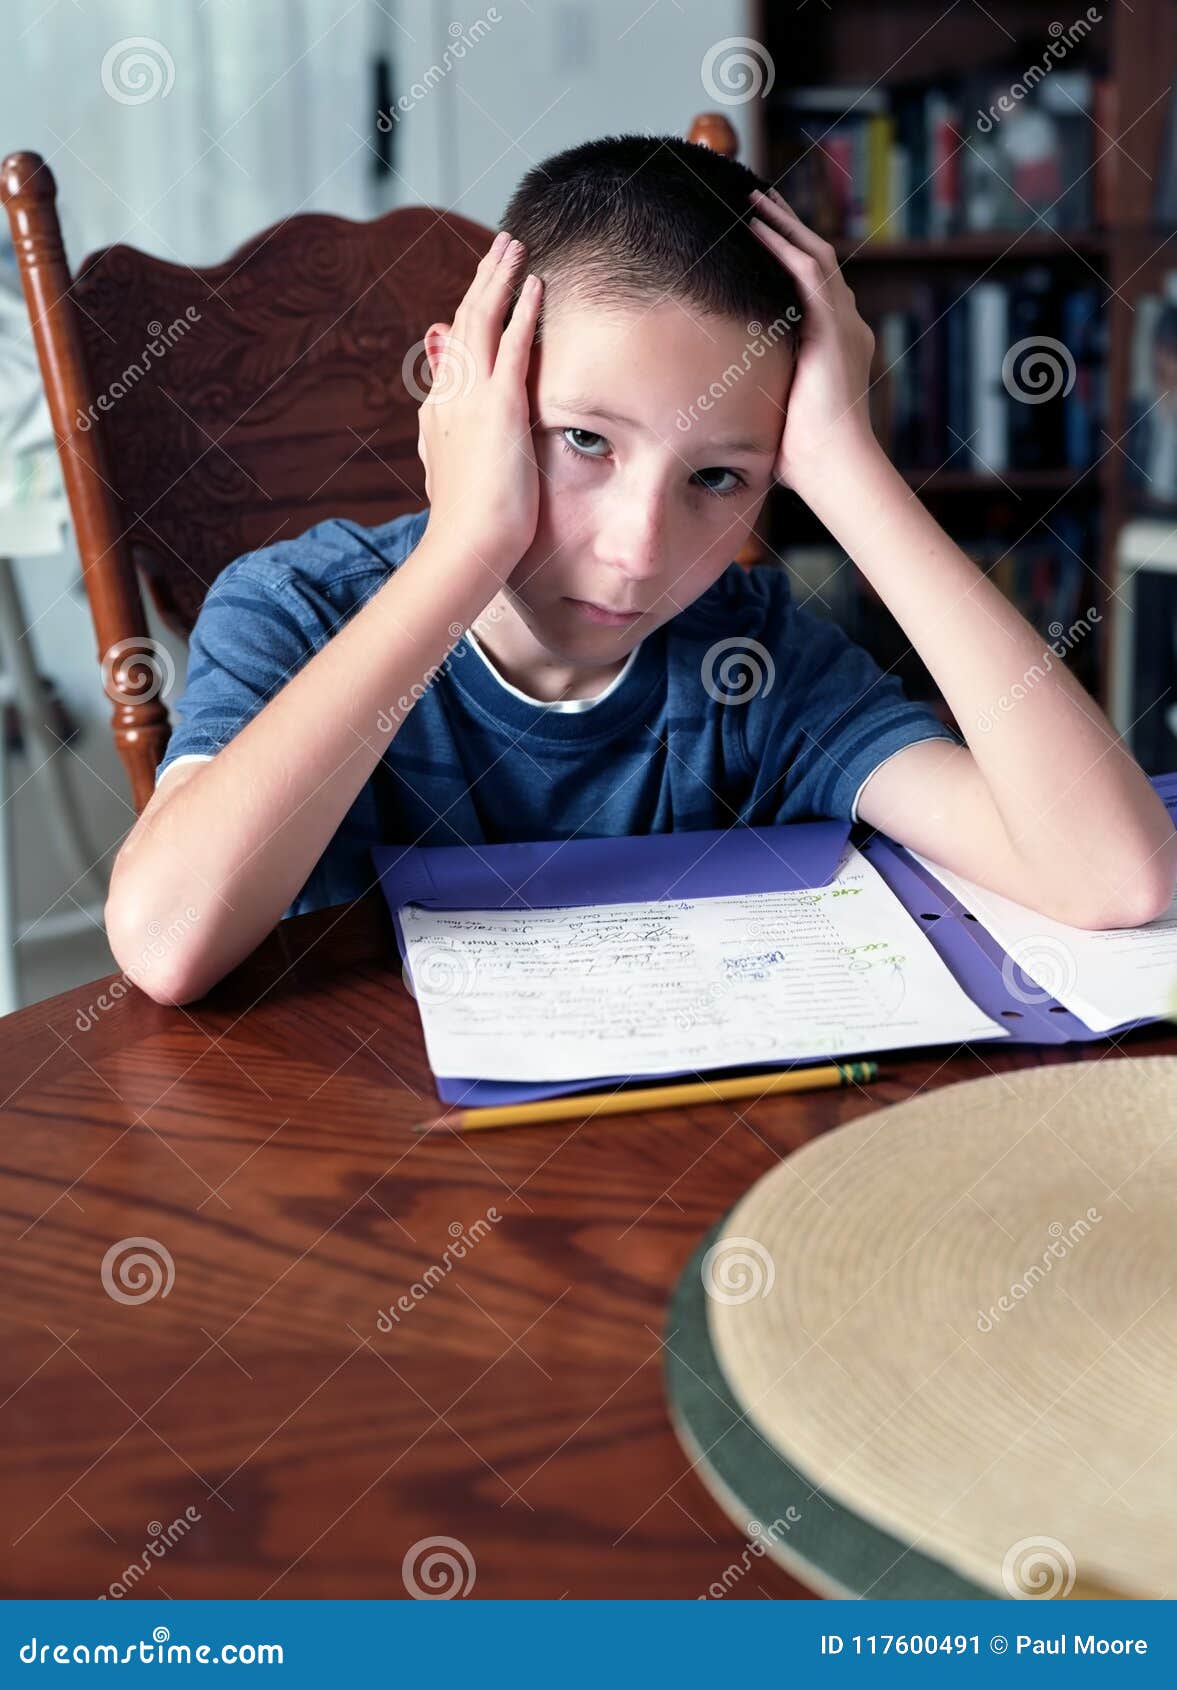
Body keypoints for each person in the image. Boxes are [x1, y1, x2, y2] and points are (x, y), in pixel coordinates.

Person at [104, 135, 1176, 1005]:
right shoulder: (294, 610)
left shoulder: (754, 666)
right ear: (460, 393)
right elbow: (164, 941)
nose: (638, 552)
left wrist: (849, 472)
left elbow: (1110, 875)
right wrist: (463, 547)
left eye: (717, 477)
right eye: (582, 441)